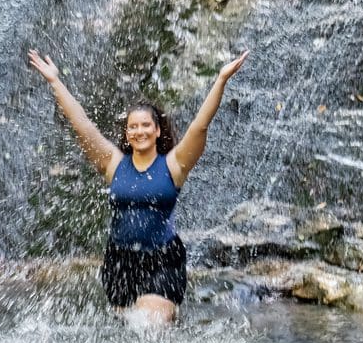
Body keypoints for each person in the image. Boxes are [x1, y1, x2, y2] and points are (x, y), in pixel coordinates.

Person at [27, 48, 248, 324]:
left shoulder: (174, 165)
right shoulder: (113, 163)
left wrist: (221, 80)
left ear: (157, 130)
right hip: (119, 262)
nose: (139, 131)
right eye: (133, 127)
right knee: (128, 336)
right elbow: (81, 125)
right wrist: (55, 82)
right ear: (127, 133)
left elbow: (200, 127)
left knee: (149, 328)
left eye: (145, 125)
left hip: (163, 259)